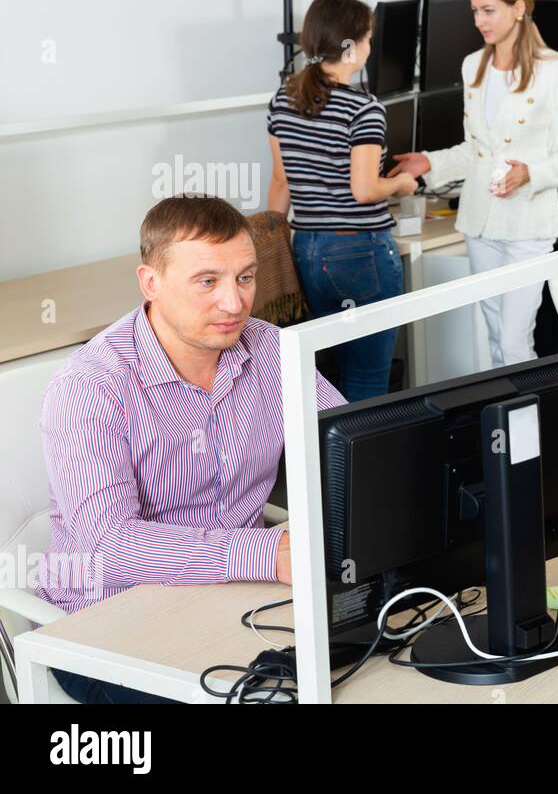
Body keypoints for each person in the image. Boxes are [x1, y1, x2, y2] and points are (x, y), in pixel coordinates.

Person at [38, 196, 347, 703]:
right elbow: (108, 546)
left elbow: (344, 445)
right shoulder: (91, 384)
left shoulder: (269, 348)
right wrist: (267, 552)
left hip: (239, 600)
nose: (234, 303)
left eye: (245, 278)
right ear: (151, 283)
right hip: (107, 626)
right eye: (208, 282)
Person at [390, 0, 558, 368]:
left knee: (515, 345)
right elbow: (476, 150)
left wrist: (529, 173)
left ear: (518, 8)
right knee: (496, 341)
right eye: (474, 11)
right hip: (480, 222)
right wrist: (429, 163)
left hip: (528, 227)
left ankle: (529, 431)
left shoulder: (556, 70)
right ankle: (504, 430)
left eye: (488, 10)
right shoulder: (473, 67)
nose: (478, 21)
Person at [267, 0, 417, 402]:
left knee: (327, 377)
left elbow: (281, 182)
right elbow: (365, 189)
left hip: (309, 251)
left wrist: (272, 245)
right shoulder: (364, 108)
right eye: (368, 37)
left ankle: (332, 466)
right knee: (367, 378)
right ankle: (362, 467)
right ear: (354, 44)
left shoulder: (282, 99)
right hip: (360, 251)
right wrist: (401, 184)